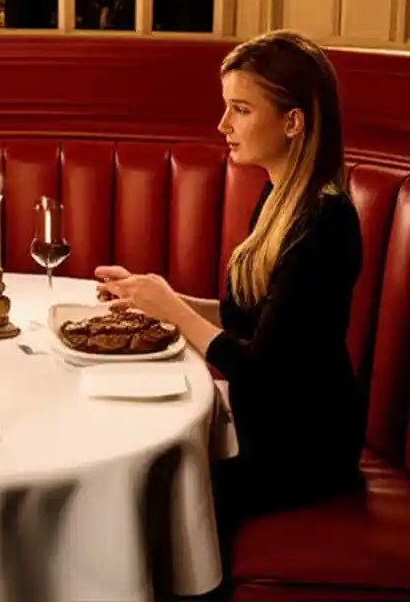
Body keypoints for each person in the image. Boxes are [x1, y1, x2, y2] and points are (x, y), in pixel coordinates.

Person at [95, 30, 365, 573]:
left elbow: (261, 369)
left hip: (304, 452)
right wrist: (151, 297)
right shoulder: (280, 194)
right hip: (267, 426)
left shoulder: (325, 222)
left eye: (240, 110)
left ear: (293, 122)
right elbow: (250, 317)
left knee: (141, 497)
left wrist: (172, 308)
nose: (223, 126)